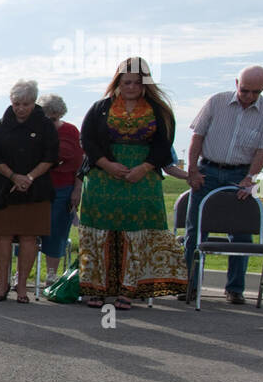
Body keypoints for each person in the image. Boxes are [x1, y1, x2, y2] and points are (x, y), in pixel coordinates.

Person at [76, 57, 187, 310]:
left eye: (137, 83)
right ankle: (96, 289)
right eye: (126, 82)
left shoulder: (160, 111)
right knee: (100, 233)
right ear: (118, 82)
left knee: (135, 236)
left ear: (145, 83)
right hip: (104, 179)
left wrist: (145, 167)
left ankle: (129, 290)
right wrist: (107, 164)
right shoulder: (100, 108)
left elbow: (163, 145)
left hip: (142, 179)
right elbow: (88, 140)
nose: (131, 87)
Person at [182, 65, 263, 304]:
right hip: (208, 170)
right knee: (195, 231)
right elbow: (197, 136)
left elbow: (262, 150)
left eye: (255, 92)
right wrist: (192, 170)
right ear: (237, 83)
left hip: (241, 174)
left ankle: (235, 289)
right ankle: (189, 286)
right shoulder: (216, 102)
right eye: (245, 90)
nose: (248, 96)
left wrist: (251, 179)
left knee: (241, 234)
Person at [0, 79, 57, 304]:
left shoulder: (45, 125)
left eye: (25, 104)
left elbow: (51, 157)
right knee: (2, 237)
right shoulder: (1, 124)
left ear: (34, 102)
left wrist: (29, 178)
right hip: (4, 189)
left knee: (28, 237)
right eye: (16, 103)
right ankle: (1, 284)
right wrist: (14, 176)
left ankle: (22, 286)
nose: (20, 108)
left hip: (36, 189)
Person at [36, 93, 82, 286]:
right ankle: (20, 274)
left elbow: (81, 163)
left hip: (64, 188)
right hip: (37, 187)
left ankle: (51, 276)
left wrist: (77, 190)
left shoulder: (71, 131)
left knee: (57, 234)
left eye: (53, 118)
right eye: (46, 118)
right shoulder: (34, 130)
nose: (50, 122)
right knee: (29, 232)